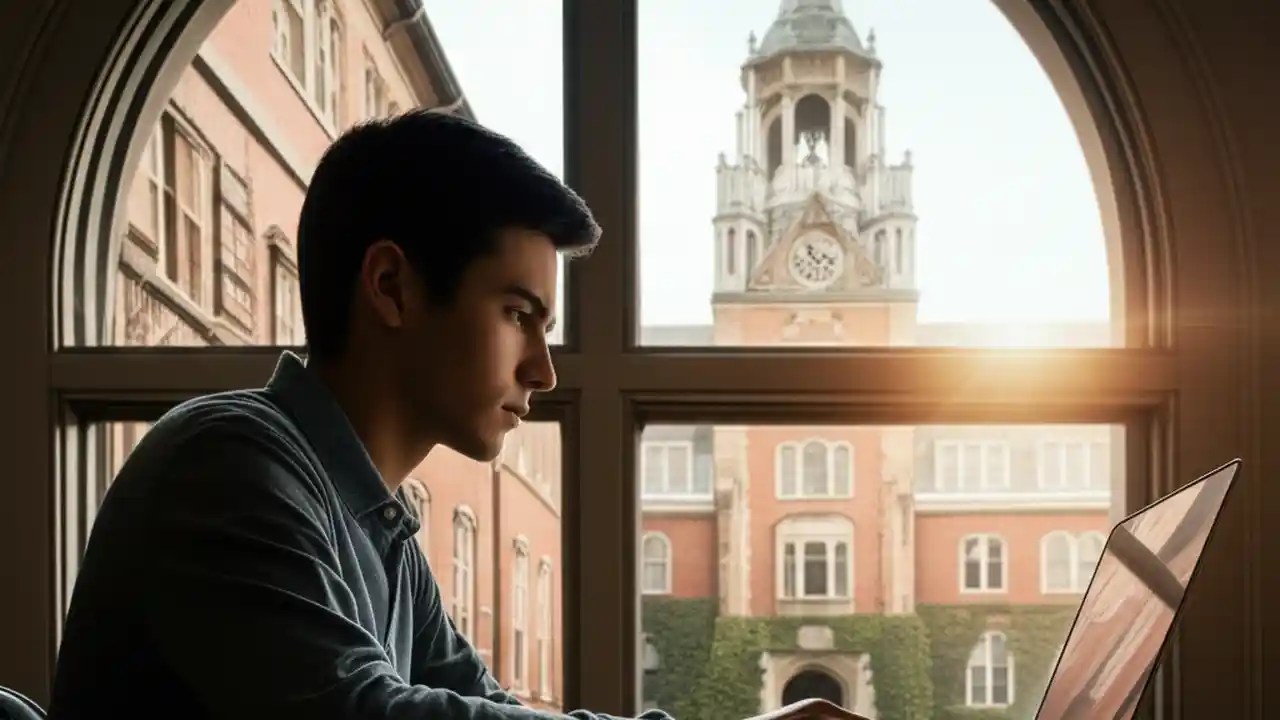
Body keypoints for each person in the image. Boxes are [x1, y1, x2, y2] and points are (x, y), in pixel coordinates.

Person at [49, 109, 866, 720]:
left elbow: (481, 703)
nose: (543, 369)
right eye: (519, 314)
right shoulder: (228, 465)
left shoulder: (376, 523)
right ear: (391, 287)